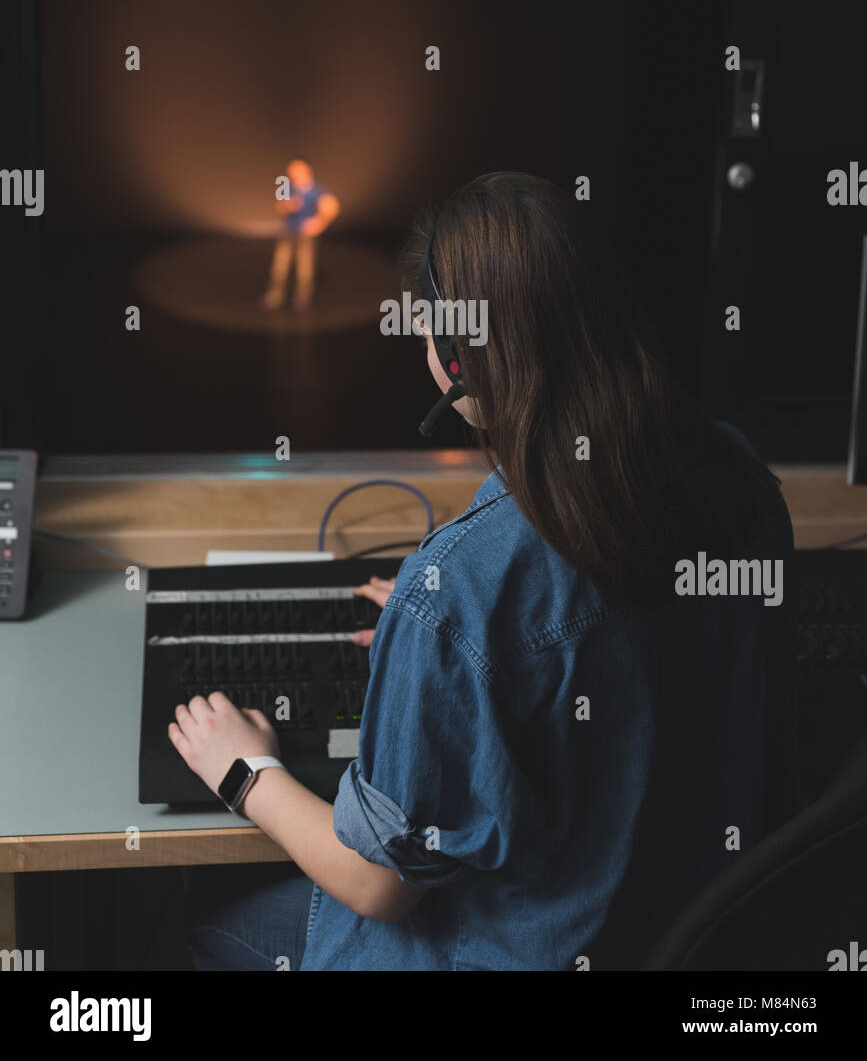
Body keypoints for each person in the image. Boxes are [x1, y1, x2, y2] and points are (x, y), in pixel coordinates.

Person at [177, 171, 796, 971]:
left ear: (456, 361)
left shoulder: (463, 587)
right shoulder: (740, 479)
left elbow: (378, 885)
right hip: (685, 936)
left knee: (203, 907)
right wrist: (463, 643)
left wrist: (245, 771)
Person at [261, 159, 340, 310]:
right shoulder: (288, 187)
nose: (293, 173)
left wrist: (319, 223)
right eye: (291, 170)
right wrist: (286, 206)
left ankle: (302, 298)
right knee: (280, 265)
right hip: (288, 231)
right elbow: (279, 206)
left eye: (297, 170)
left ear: (307, 171)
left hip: (305, 234)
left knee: (305, 266)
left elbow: (332, 206)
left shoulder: (315, 190)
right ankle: (276, 295)